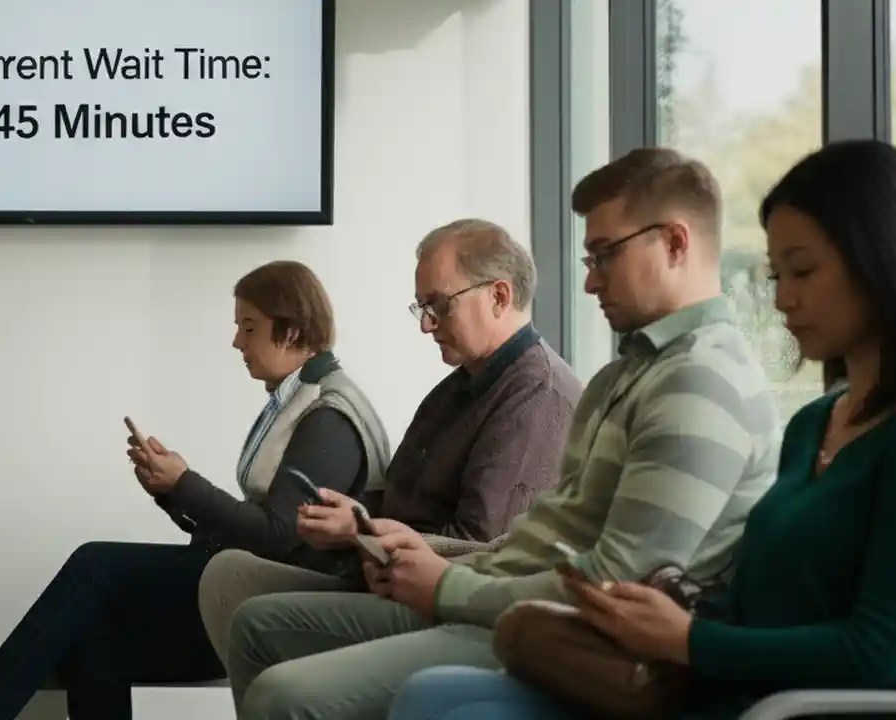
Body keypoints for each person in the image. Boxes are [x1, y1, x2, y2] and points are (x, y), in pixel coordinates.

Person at [224, 149, 783, 719]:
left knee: (282, 690)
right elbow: (541, 538)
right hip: (504, 594)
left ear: (674, 243)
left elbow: (615, 586)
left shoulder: (697, 384)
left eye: (604, 255)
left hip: (566, 633)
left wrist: (447, 585)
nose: (590, 281)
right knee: (255, 625)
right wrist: (424, 556)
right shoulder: (626, 375)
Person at [389, 139, 896, 720]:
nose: (782, 297)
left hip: (770, 701)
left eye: (803, 270)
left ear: (882, 260)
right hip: (713, 679)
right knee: (427, 694)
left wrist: (690, 641)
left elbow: (876, 651)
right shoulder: (814, 424)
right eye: (776, 273)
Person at [0, 260, 390, 720]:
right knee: (94, 641)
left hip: (283, 594)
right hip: (247, 576)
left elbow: (276, 535)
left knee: (95, 564)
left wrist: (184, 483)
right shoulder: (299, 399)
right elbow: (259, 526)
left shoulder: (327, 416)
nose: (236, 342)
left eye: (249, 327)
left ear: (291, 330)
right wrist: (171, 491)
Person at [198, 219, 582, 665]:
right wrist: (352, 519)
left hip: (441, 605)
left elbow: (480, 547)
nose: (427, 325)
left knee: (251, 613)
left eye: (440, 305)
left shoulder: (536, 396)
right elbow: (401, 498)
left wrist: (363, 533)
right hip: (383, 575)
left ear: (498, 296)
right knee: (229, 575)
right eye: (422, 308)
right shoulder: (458, 387)